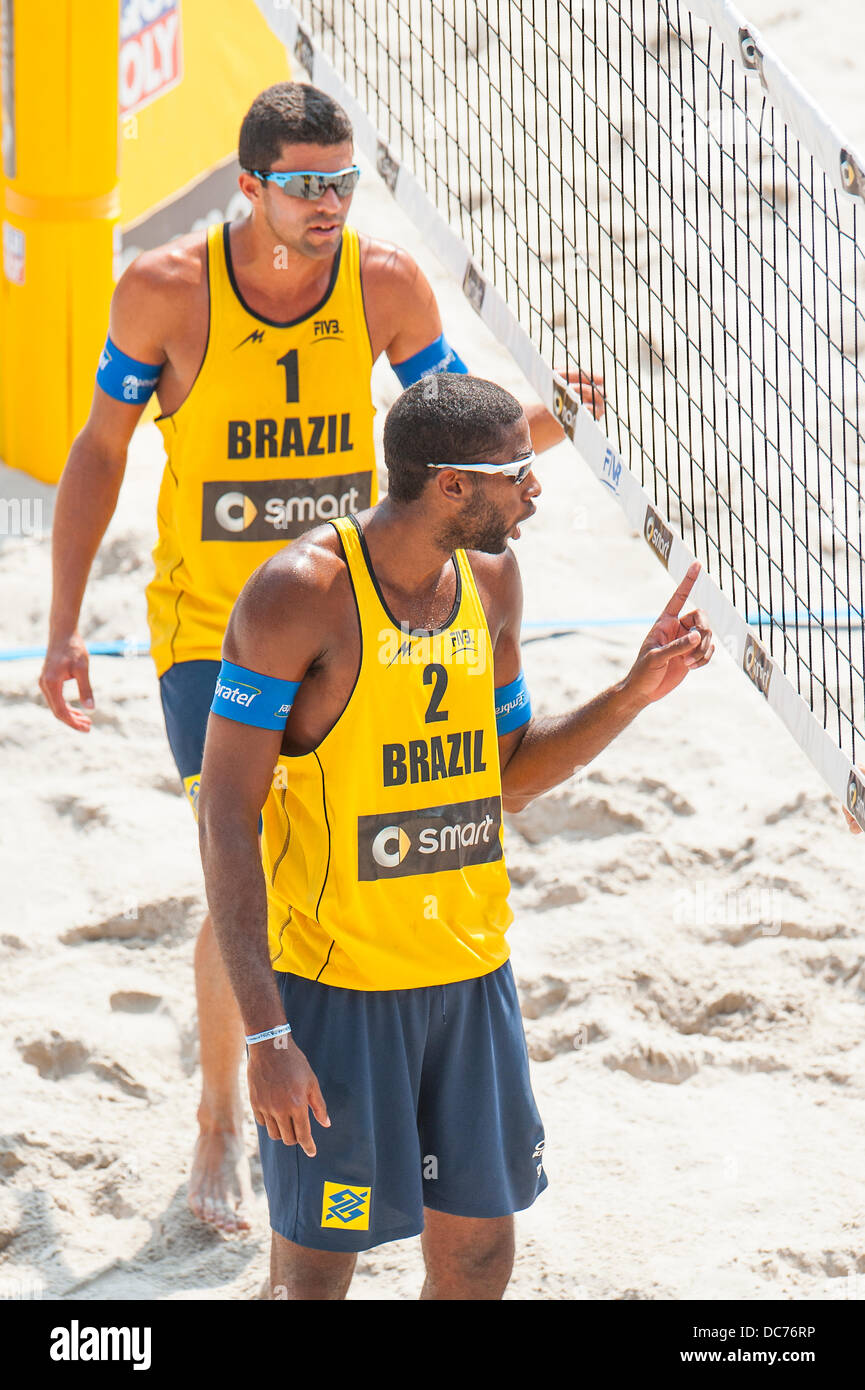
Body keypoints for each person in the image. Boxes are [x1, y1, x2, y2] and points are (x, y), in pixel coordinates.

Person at [38, 81, 604, 1234]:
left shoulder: (385, 284)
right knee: (238, 850)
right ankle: (219, 1116)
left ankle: (316, 1098)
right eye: (307, 184)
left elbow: (455, 421)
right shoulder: (164, 291)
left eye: (345, 178)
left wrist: (556, 419)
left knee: (328, 861)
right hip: (211, 621)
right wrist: (58, 628)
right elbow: (99, 453)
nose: (332, 202)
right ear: (248, 185)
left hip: (355, 611)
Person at [198, 373, 713, 1299]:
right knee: (316, 1273)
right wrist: (266, 1034)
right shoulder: (295, 596)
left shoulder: (491, 578)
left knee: (479, 1258)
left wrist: (632, 691)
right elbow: (226, 818)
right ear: (448, 485)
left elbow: (509, 775)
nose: (535, 489)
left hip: (470, 978)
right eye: (517, 471)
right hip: (338, 992)